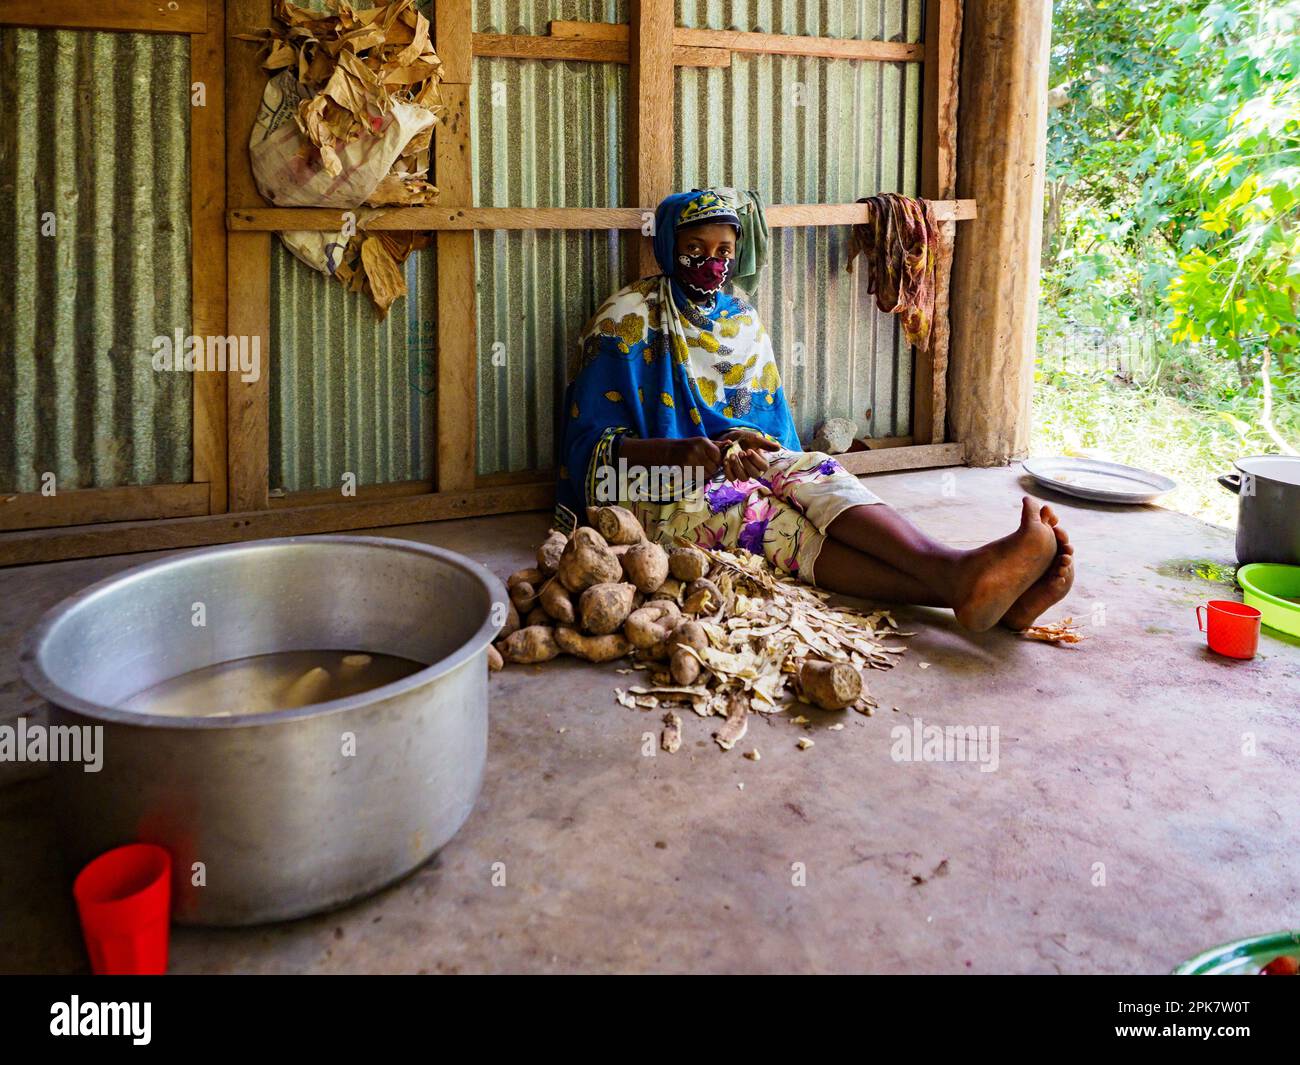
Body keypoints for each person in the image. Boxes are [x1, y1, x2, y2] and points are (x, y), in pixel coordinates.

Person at [557, 188, 1073, 632]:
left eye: (723, 250)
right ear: (668, 246)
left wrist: (741, 445)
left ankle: (964, 579)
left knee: (815, 472)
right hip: (652, 487)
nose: (712, 262)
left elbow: (760, 422)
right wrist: (683, 452)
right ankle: (960, 580)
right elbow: (588, 454)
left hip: (731, 464)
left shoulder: (740, 315)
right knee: (766, 519)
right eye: (695, 248)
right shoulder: (625, 317)